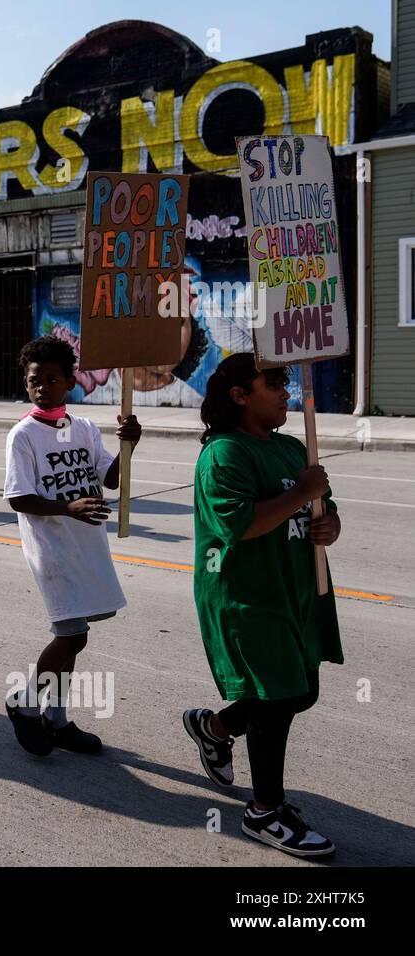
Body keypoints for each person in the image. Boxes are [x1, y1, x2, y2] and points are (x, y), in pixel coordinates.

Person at [182, 354, 342, 858]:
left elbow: (325, 511)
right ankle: (264, 811)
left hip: (296, 591)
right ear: (240, 396)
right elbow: (239, 525)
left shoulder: (294, 448)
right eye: (274, 383)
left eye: (286, 381)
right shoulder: (224, 454)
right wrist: (301, 492)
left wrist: (328, 523)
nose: (286, 391)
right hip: (247, 596)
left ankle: (214, 727)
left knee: (300, 692)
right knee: (275, 701)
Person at [2, 335, 141, 757]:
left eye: (52, 379)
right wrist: (68, 507)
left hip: (87, 545)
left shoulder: (82, 429)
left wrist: (128, 444)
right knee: (68, 637)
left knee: (76, 637)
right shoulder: (23, 435)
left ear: (69, 382)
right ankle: (24, 703)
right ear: (26, 385)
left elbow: (113, 478)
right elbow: (18, 497)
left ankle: (57, 718)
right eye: (34, 380)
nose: (42, 386)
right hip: (53, 551)